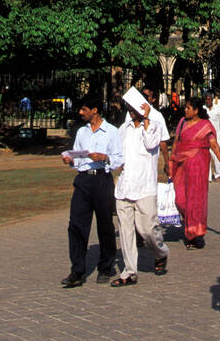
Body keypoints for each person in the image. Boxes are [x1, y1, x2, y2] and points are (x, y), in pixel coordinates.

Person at [61, 94, 124, 288]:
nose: (81, 113)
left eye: (84, 110)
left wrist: (105, 157)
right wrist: (71, 160)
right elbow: (78, 156)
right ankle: (77, 270)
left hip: (102, 180)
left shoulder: (112, 132)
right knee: (77, 224)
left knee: (105, 224)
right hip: (83, 181)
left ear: (94, 110)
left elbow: (120, 158)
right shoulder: (82, 132)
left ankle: (105, 267)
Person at [112, 86, 169, 283]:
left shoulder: (154, 125)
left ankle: (160, 253)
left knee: (147, 230)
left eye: (136, 108)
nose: (132, 111)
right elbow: (117, 155)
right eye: (130, 108)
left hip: (145, 187)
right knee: (126, 232)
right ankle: (129, 271)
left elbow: (151, 144)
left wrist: (146, 119)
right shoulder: (123, 130)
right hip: (125, 187)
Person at [169, 97, 220, 248]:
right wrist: (170, 161)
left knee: (195, 200)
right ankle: (190, 223)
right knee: (180, 200)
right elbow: (176, 143)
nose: (185, 110)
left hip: (198, 166)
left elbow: (214, 145)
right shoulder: (182, 122)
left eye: (188, 108)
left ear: (196, 110)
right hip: (181, 166)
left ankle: (194, 234)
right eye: (185, 107)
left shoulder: (205, 125)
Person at [206, 91, 220, 181]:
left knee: (216, 155)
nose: (208, 102)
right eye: (206, 100)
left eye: (209, 100)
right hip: (206, 135)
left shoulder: (218, 108)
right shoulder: (203, 109)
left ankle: (218, 174)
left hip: (216, 135)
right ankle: (208, 177)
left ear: (212, 100)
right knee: (207, 154)